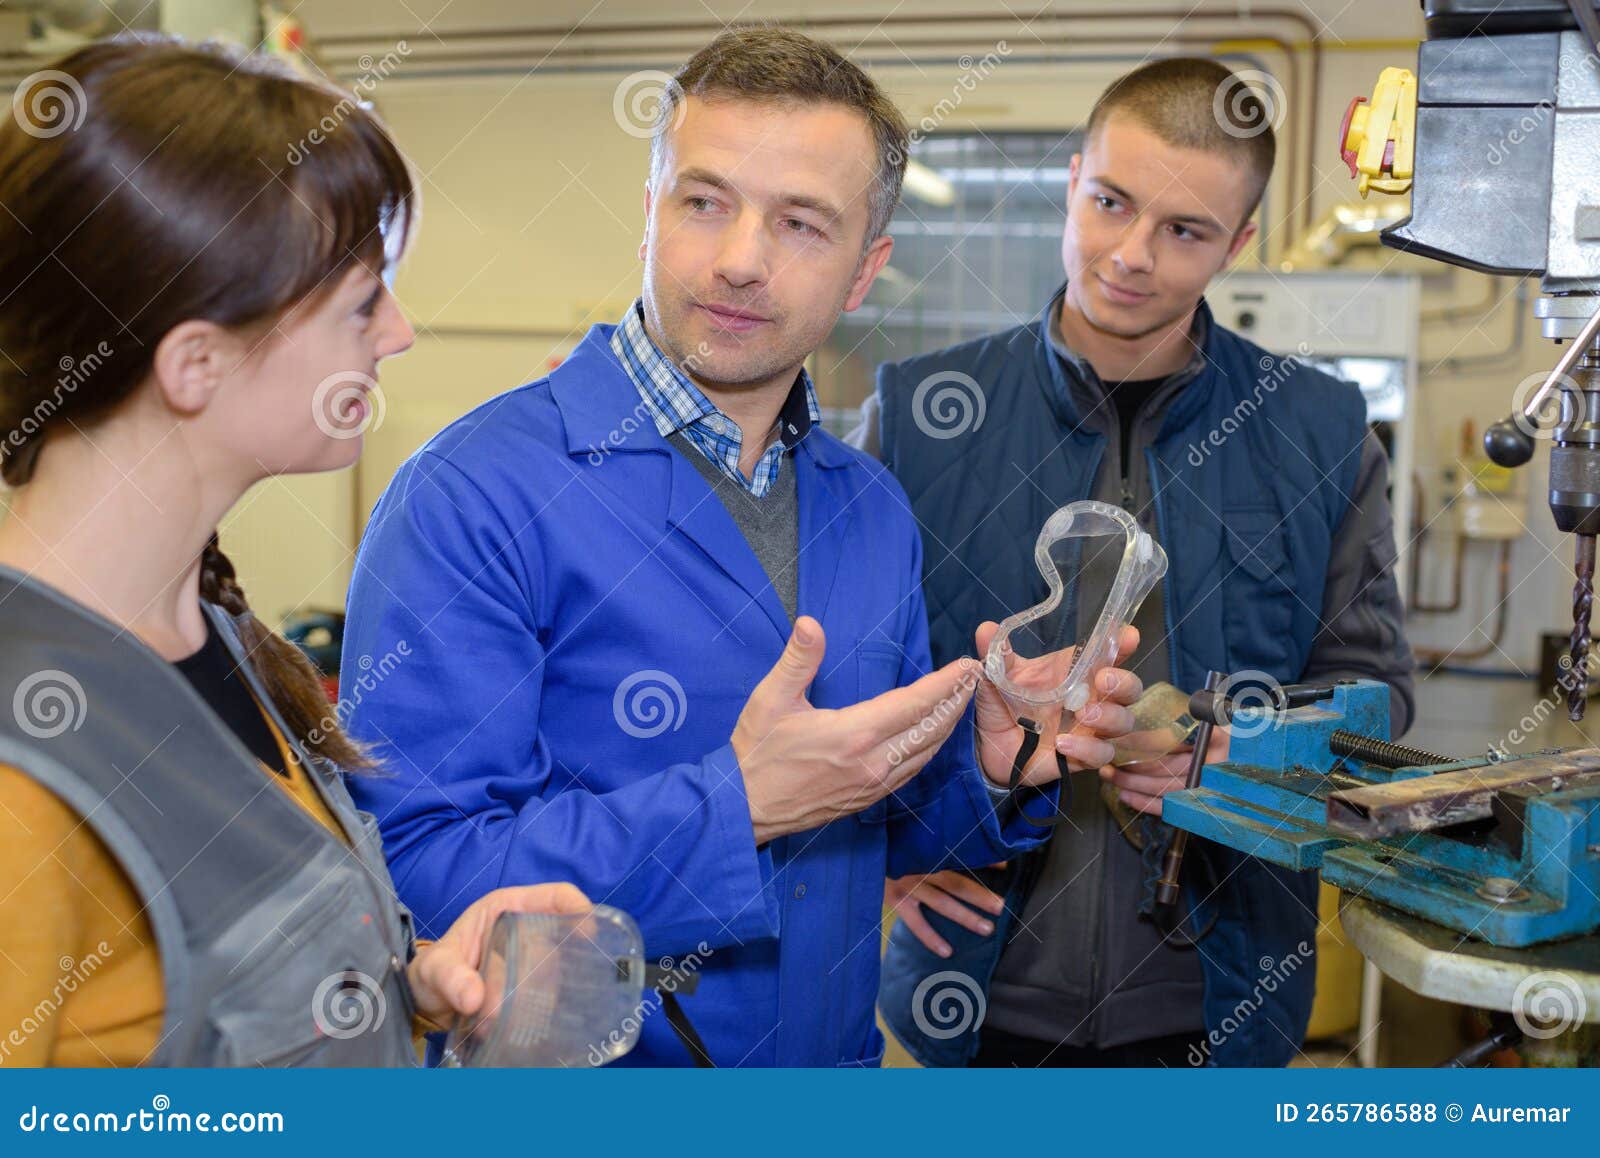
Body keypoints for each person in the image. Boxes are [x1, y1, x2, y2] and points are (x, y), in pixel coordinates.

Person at [340, 26, 1143, 1068]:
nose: (738, 260)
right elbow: (416, 869)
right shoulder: (472, 493)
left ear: (864, 271)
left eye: (803, 225)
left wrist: (989, 766)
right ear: (648, 213)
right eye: (703, 201)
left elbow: (867, 827)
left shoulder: (870, 510)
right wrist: (736, 807)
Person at [0, 36, 590, 1067]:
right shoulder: (24, 771)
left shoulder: (217, 643)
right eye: (364, 301)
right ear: (197, 362)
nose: (397, 333)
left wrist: (404, 994)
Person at [857, 58, 1415, 1067]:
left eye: (1184, 231)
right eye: (1109, 203)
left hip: (1220, 1000)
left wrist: (1255, 758)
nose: (1130, 256)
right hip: (971, 1000)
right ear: (1073, 179)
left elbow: (1374, 701)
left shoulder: (1320, 433)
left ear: (1237, 244)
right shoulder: (916, 420)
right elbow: (843, 686)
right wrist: (875, 850)